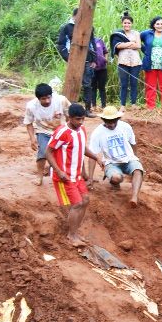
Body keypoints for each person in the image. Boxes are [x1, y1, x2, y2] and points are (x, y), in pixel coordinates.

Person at [45, 103, 102, 247]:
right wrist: (59, 171)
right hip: (65, 176)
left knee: (85, 200)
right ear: (69, 118)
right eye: (77, 119)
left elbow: (82, 148)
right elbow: (48, 152)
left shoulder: (81, 130)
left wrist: (96, 157)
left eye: (83, 119)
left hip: (76, 175)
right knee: (77, 204)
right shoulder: (62, 132)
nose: (81, 122)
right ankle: (71, 235)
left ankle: (75, 232)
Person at [87, 105, 144, 206]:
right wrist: (90, 178)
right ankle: (114, 182)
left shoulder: (126, 127)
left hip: (129, 159)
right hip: (111, 163)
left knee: (138, 170)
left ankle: (134, 197)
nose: (112, 124)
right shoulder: (97, 133)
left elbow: (133, 143)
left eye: (114, 121)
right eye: (109, 122)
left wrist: (136, 158)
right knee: (117, 178)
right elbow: (92, 155)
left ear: (118, 118)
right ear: (103, 120)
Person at [23, 83, 70, 185]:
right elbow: (28, 123)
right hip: (43, 131)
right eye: (43, 99)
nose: (47, 101)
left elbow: (70, 115)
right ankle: (39, 176)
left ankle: (73, 174)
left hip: (61, 130)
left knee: (68, 152)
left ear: (51, 95)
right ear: (38, 99)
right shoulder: (31, 106)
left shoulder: (61, 100)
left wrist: (69, 130)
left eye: (49, 97)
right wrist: (32, 139)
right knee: (43, 152)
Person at [56, 8, 96, 115]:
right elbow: (61, 44)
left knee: (87, 84)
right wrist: (68, 58)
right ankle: (69, 109)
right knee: (72, 83)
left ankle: (87, 110)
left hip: (87, 60)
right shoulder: (66, 27)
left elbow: (92, 43)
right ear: (74, 16)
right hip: (73, 61)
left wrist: (94, 59)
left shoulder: (89, 27)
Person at [110, 13, 142, 107]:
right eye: (125, 23)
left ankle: (133, 104)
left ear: (132, 24)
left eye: (129, 23)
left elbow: (138, 46)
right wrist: (131, 43)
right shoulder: (118, 34)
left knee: (134, 83)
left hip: (135, 62)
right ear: (122, 23)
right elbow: (117, 46)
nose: (127, 24)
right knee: (124, 84)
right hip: (123, 62)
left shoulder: (136, 33)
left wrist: (124, 44)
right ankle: (123, 105)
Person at [89, 35, 109, 111]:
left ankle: (104, 105)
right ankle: (93, 105)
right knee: (93, 87)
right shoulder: (86, 42)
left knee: (102, 87)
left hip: (102, 68)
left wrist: (106, 59)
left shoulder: (99, 41)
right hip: (92, 68)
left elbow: (105, 52)